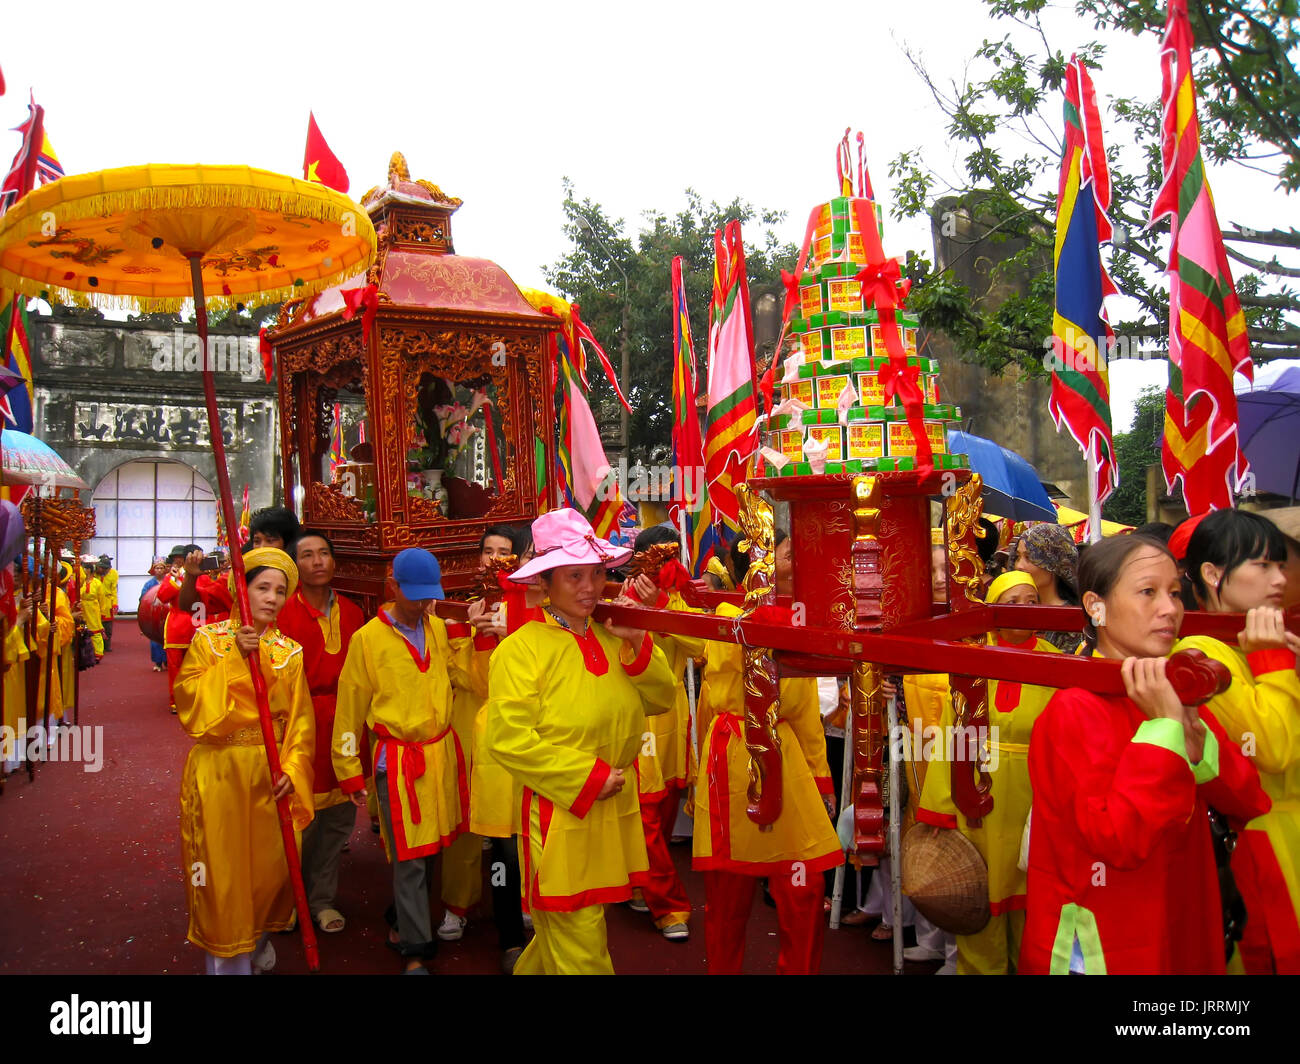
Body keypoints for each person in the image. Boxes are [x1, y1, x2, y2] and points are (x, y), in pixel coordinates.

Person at [1019, 535, 1270, 974]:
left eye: (1174, 592)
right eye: (1148, 592)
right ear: (1095, 606)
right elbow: (1118, 840)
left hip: (1180, 922)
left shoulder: (1170, 694)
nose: (1170, 609)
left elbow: (1250, 801)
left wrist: (1193, 740)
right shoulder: (1073, 710)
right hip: (1108, 943)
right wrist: (1164, 730)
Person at [486, 508, 677, 974]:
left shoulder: (612, 637)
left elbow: (661, 699)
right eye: (574, 576)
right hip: (560, 809)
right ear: (545, 583)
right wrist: (587, 777)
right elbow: (508, 739)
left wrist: (637, 643)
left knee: (565, 930)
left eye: (595, 574)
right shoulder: (520, 649)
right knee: (579, 934)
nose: (589, 587)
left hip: (610, 808)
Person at [692, 530, 843, 975]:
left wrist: (821, 779)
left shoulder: (801, 615)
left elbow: (806, 713)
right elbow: (677, 636)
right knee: (727, 894)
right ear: (754, 562)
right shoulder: (720, 618)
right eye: (785, 552)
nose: (794, 561)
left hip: (786, 752)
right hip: (731, 754)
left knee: (804, 885)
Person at [333, 548, 478, 974]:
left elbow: (467, 678)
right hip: (396, 762)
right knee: (409, 858)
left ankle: (401, 920)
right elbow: (349, 708)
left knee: (429, 850)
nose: (422, 605)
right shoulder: (367, 639)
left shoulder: (437, 628)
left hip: (439, 755)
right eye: (414, 596)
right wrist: (347, 770)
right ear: (392, 587)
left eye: (429, 596)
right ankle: (416, 950)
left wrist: (480, 638)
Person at [174, 547, 316, 975]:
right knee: (221, 875)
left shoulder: (289, 652)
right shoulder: (209, 641)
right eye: (262, 587)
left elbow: (301, 723)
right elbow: (191, 706)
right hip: (219, 772)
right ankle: (225, 964)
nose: (271, 598)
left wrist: (293, 769)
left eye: (280, 591)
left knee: (268, 874)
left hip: (268, 777)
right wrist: (236, 656)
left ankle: (256, 942)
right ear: (242, 588)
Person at [914, 570, 1060, 974]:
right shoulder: (972, 659)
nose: (1025, 610)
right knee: (980, 899)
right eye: (1012, 602)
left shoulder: (1059, 664)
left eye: (1031, 602)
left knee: (1034, 901)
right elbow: (951, 737)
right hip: (979, 794)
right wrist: (941, 809)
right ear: (994, 609)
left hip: (1036, 800)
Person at [1174, 509, 1300, 974]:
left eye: (1281, 566)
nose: (1278, 578)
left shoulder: (1265, 638)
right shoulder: (1200, 652)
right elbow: (1272, 749)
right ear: (1212, 574)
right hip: (1257, 848)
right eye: (1262, 565)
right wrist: (1273, 659)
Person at [276, 530, 366, 936]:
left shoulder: (352, 612)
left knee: (337, 822)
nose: (317, 561)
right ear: (295, 565)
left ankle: (321, 899)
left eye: (324, 553)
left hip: (346, 725)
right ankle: (287, 900)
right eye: (307, 555)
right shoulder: (279, 614)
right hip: (300, 725)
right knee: (299, 821)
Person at [622, 524, 707, 942]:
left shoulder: (678, 597)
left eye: (668, 559)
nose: (661, 567)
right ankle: (669, 906)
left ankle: (640, 882)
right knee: (648, 818)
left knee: (665, 811)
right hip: (637, 724)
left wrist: (662, 609)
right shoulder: (617, 600)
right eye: (654, 558)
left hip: (673, 721)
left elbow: (701, 647)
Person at [438, 525, 515, 946]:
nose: (495, 560)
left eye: (505, 552)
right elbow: (463, 676)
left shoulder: (529, 610)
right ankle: (457, 903)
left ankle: (521, 901)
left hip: (516, 727)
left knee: (514, 825)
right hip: (468, 726)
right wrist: (475, 637)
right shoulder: (460, 610)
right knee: (466, 818)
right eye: (488, 551)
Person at [1013, 523, 1081, 653]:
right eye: (1017, 557)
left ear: (1053, 562)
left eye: (1030, 558)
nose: (1019, 566)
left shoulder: (1072, 622)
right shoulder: (1015, 608)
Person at [140, 558, 168, 672]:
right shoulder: (149, 584)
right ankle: (158, 663)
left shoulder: (170, 581)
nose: (159, 570)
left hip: (167, 614)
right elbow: (143, 600)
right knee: (155, 640)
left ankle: (167, 661)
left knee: (168, 638)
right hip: (154, 615)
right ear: (153, 569)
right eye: (157, 568)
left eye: (161, 568)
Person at [96, 555, 118, 652]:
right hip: (95, 602)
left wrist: (115, 604)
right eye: (101, 568)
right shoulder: (94, 572)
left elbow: (114, 590)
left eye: (106, 568)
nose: (103, 570)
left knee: (108, 626)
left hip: (107, 602)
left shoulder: (114, 574)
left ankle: (107, 645)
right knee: (96, 625)